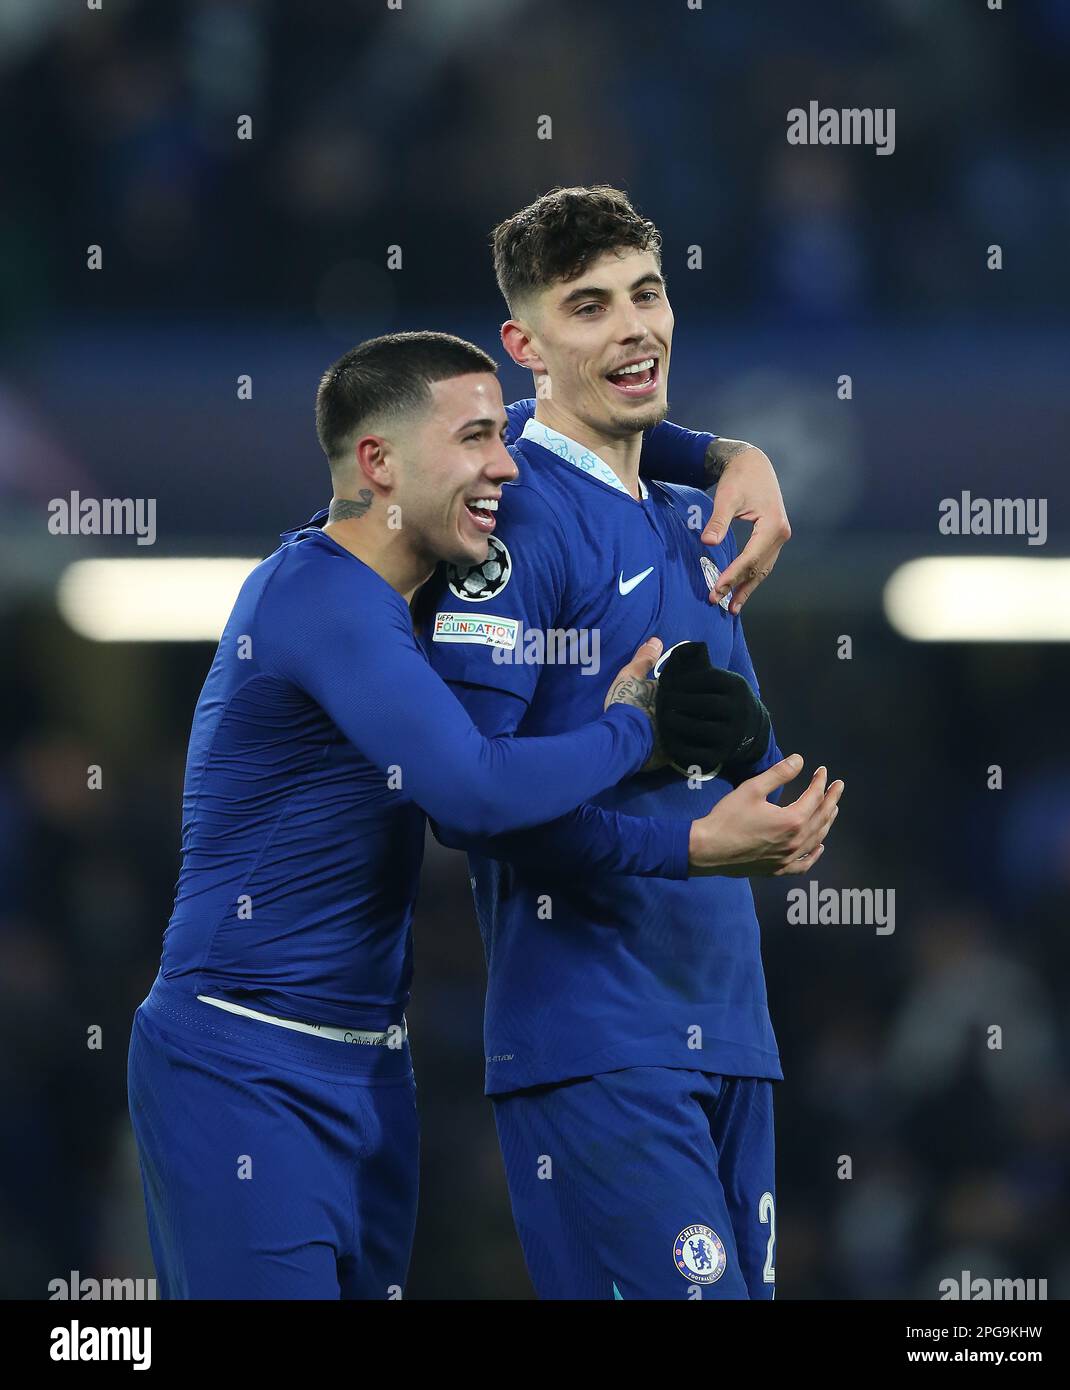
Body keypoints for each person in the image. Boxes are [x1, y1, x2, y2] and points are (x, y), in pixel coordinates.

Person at [127, 329, 788, 1300]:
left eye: (501, 436)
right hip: (242, 1058)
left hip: (373, 1068)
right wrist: (632, 738)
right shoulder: (318, 596)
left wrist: (733, 457)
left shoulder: (418, 576)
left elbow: (560, 425)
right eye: (476, 441)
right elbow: (471, 789)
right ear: (379, 463)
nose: (505, 465)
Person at [421, 186, 844, 1299]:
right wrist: (697, 846)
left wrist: (779, 806)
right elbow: (474, 798)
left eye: (647, 296)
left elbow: (733, 755)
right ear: (525, 346)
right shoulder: (509, 522)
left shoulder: (683, 514)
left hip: (730, 1027)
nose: (633, 327)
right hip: (596, 1038)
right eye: (590, 306)